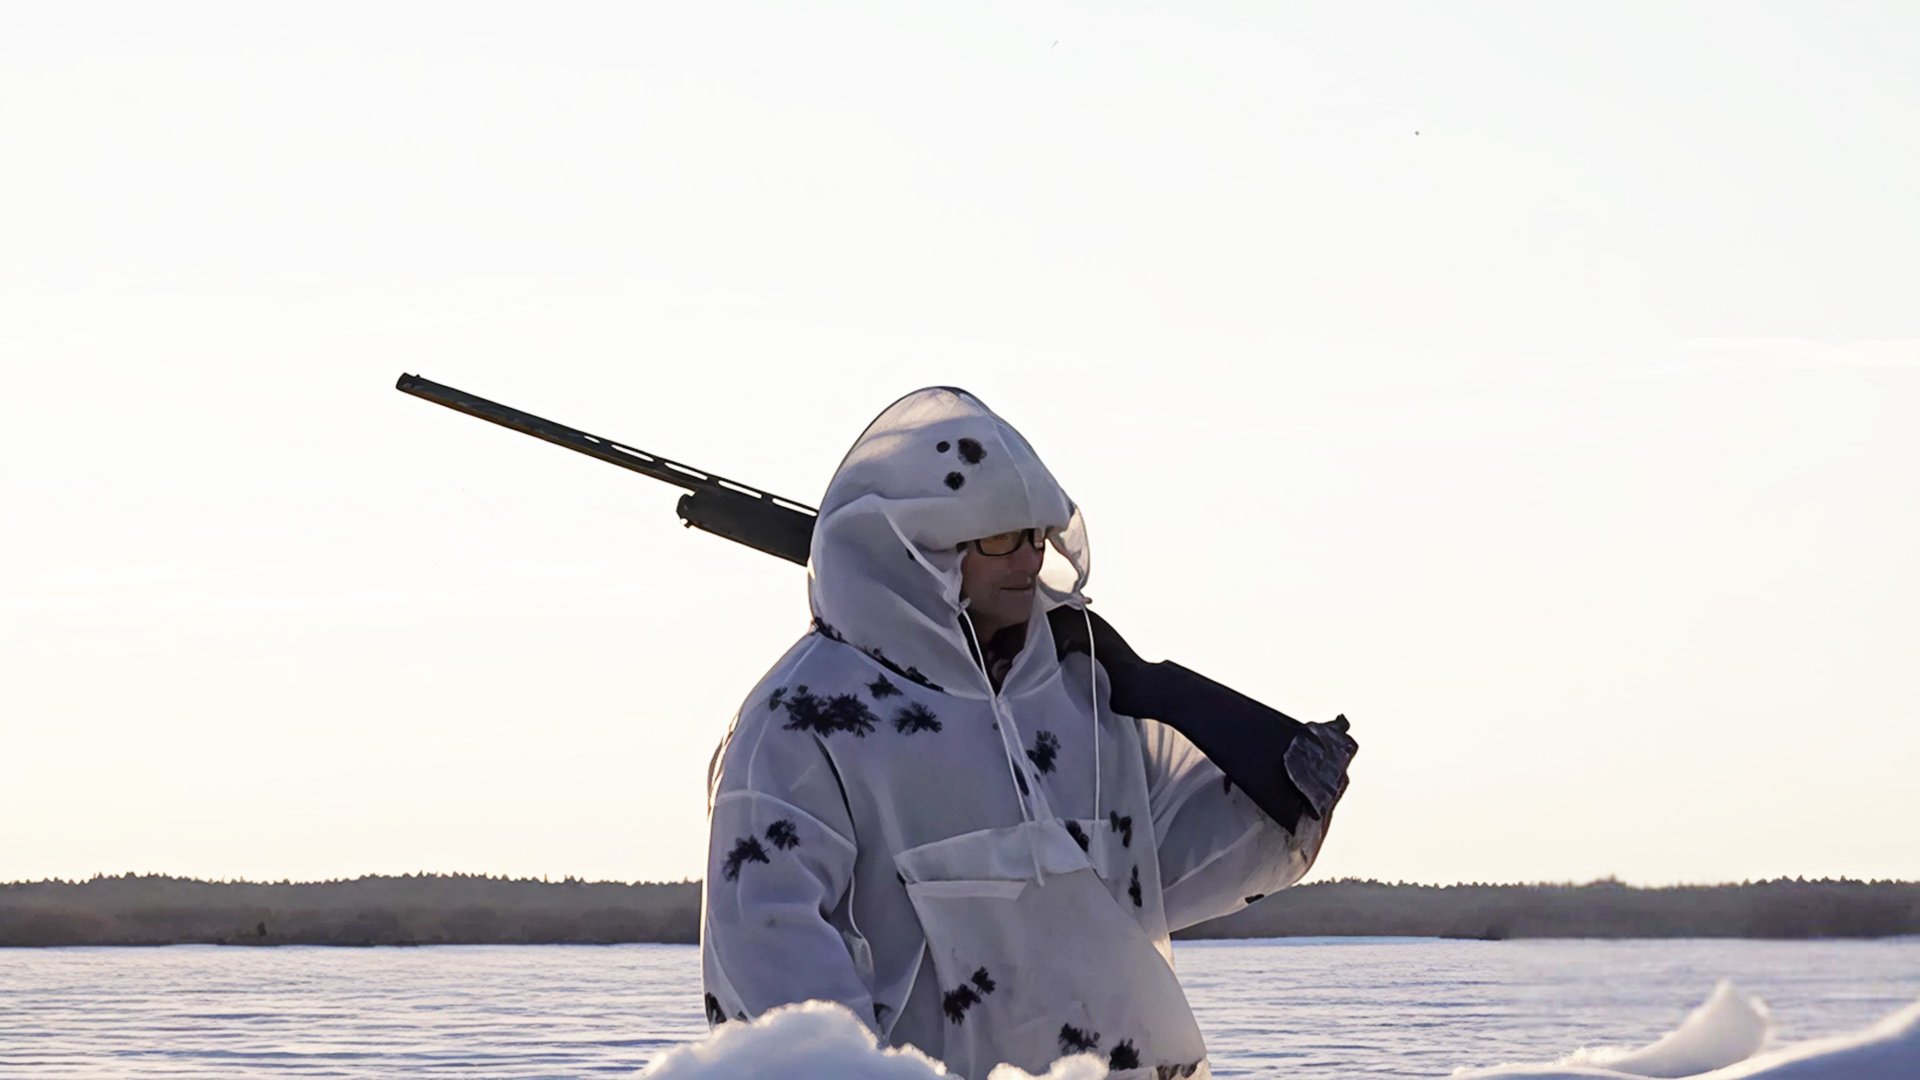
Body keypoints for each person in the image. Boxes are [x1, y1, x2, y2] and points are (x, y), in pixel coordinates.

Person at [699, 388, 1353, 1079]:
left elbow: (1179, 869)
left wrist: (1236, 735)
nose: (1030, 561)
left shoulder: (1079, 691)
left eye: (1038, 536)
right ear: (917, 545)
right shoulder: (800, 717)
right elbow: (770, 953)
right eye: (1001, 538)